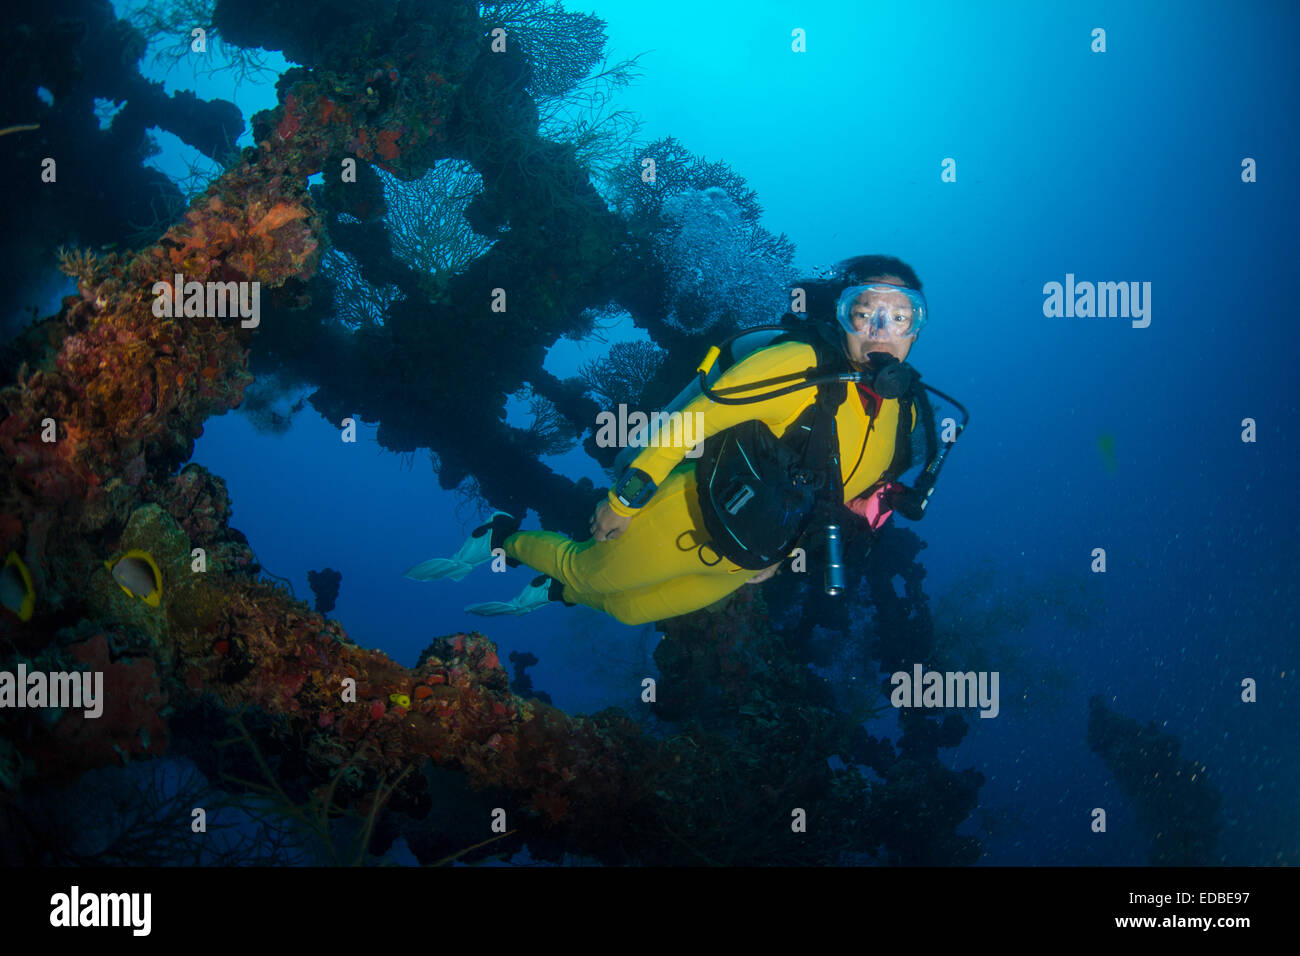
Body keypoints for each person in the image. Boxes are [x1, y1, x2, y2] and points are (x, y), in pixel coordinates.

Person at [405, 254, 930, 626]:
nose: (882, 330)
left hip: (745, 559)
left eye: (900, 317)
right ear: (843, 316)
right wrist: (625, 498)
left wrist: (787, 549)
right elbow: (689, 422)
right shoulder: (799, 366)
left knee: (629, 611)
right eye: (866, 313)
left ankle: (554, 592)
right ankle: (500, 538)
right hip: (690, 516)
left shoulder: (907, 411)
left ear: (915, 328)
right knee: (586, 571)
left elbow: (838, 488)